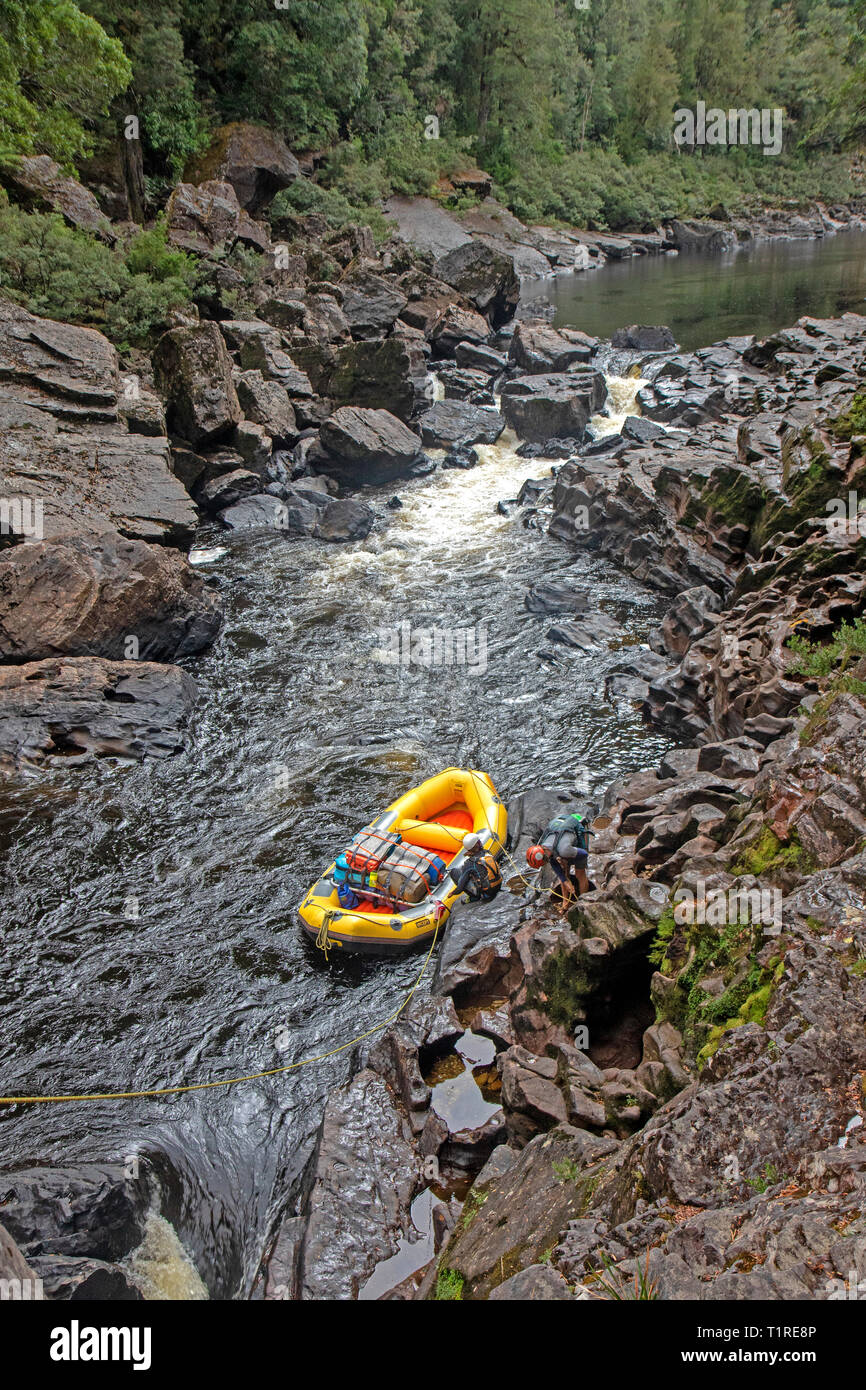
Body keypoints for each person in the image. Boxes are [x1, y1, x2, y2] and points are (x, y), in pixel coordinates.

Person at [527, 810, 594, 914]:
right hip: (562, 833)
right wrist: (565, 879)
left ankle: (583, 901)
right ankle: (565, 903)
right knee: (563, 871)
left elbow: (584, 854)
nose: (546, 863)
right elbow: (553, 862)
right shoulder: (543, 845)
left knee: (579, 872)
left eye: (544, 861)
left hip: (578, 830)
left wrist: (566, 860)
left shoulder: (564, 849)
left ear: (543, 853)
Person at [450, 833, 502, 903]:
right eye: (479, 841)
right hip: (498, 886)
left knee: (454, 872)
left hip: (488, 892)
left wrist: (452, 893)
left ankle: (474, 897)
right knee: (473, 871)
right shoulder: (487, 852)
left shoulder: (470, 862)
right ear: (478, 844)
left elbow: (460, 888)